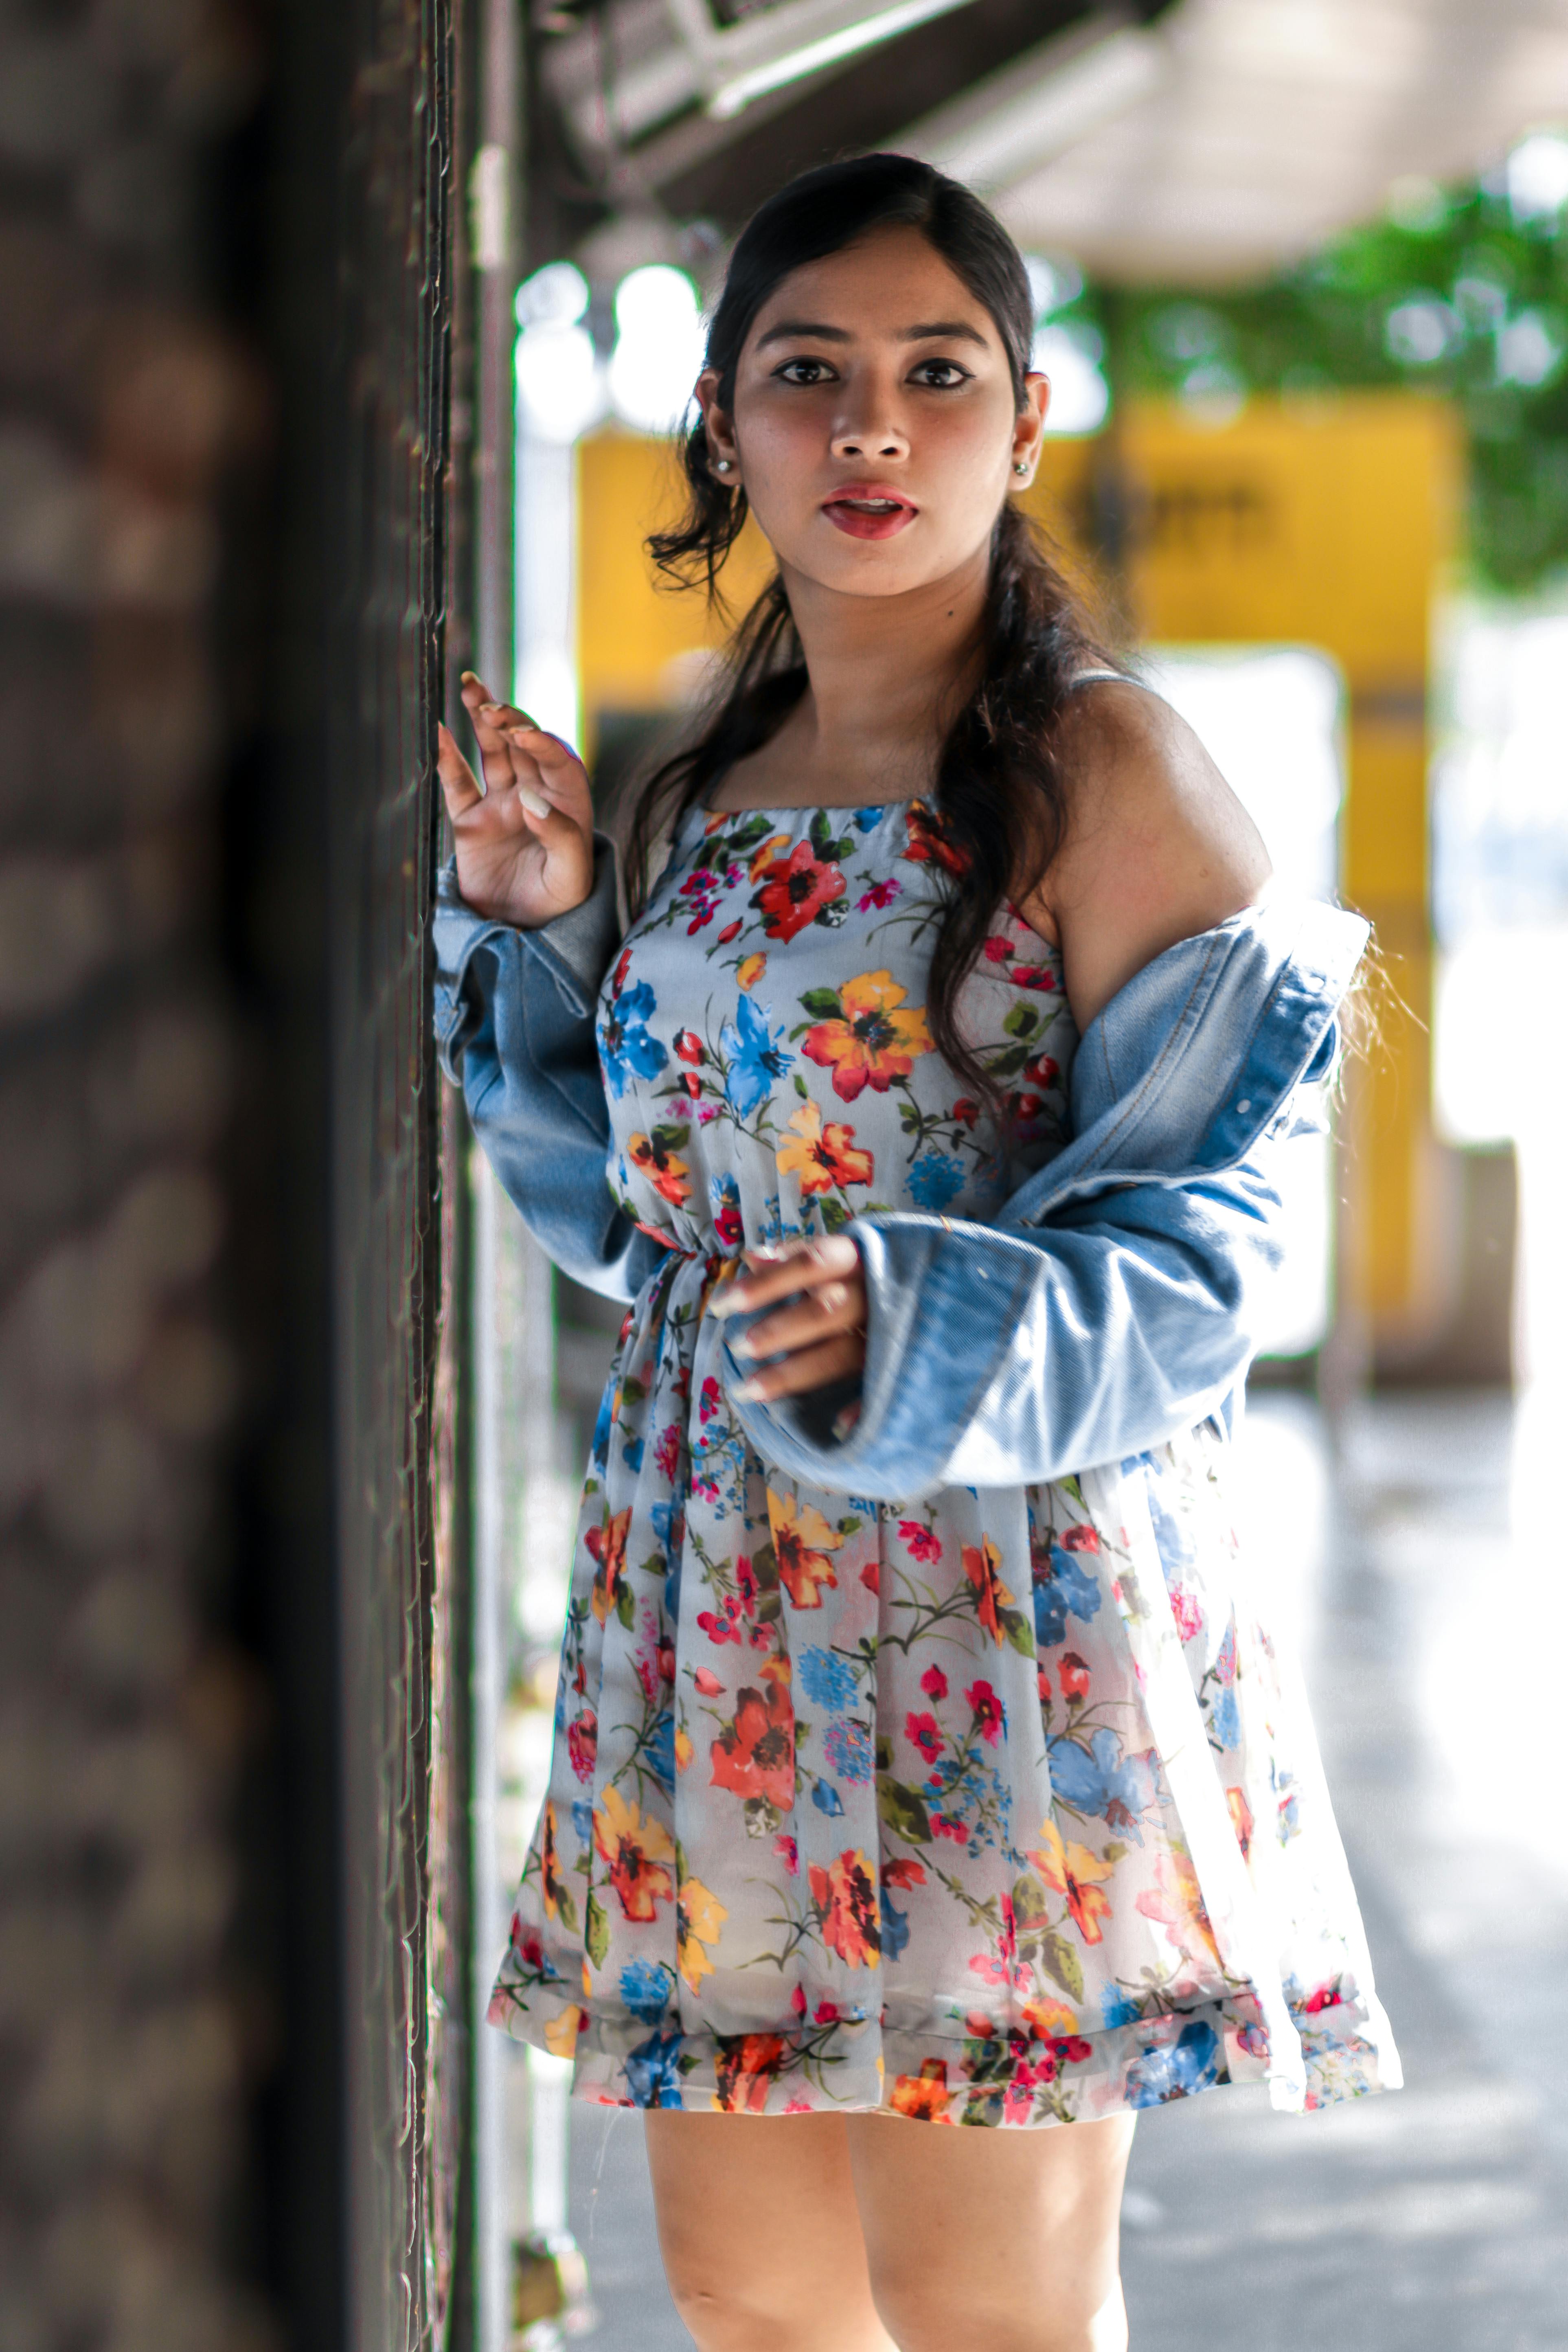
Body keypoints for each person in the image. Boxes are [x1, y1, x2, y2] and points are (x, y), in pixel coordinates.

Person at [434, 154, 1399, 2352]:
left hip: (1003, 1610)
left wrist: (919, 1312)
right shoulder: (693, 783)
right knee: (752, 2299)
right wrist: (541, 928)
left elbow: (1213, 1252)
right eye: (811, 375)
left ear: (1025, 423)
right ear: (723, 422)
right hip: (715, 1602)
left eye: (935, 374)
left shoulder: (1109, 771)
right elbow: (635, 1223)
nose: (872, 430)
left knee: (987, 2315)